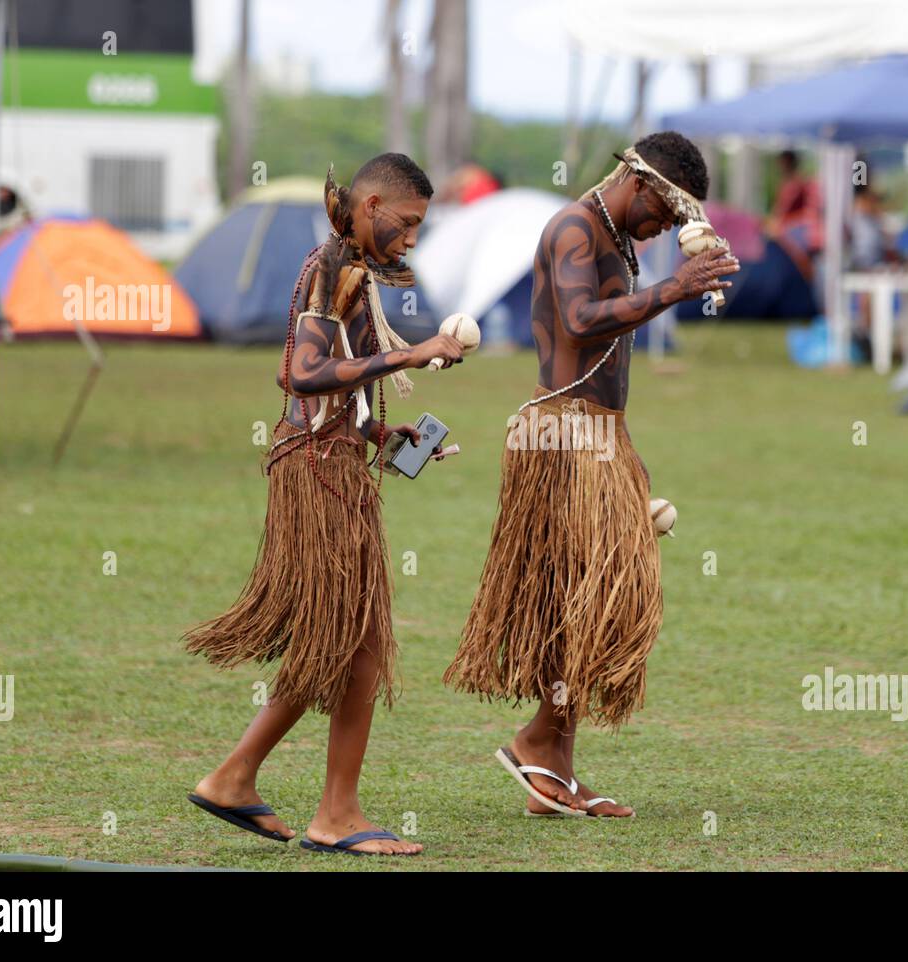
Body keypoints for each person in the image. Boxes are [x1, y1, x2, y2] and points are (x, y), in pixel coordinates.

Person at [443, 132, 738, 818]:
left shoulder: (618, 234)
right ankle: (534, 742)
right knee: (598, 600)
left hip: (598, 435)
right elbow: (578, 321)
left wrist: (625, 447)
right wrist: (673, 289)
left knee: (576, 602)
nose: (665, 232)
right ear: (640, 184)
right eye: (664, 217)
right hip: (563, 435)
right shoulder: (574, 227)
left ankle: (557, 770)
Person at [183, 154, 465, 856]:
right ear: (369, 204)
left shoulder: (353, 269)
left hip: (334, 459)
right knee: (354, 640)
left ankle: (237, 777)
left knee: (345, 640)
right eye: (405, 223)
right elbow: (301, 374)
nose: (412, 239)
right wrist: (409, 357)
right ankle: (331, 813)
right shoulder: (330, 266)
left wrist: (381, 430)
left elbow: (336, 387)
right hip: (316, 470)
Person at [764, 149, 822, 255]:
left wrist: (775, 226)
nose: (779, 167)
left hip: (796, 235)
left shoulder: (797, 184)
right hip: (792, 234)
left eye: (782, 163)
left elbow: (783, 211)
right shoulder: (789, 183)